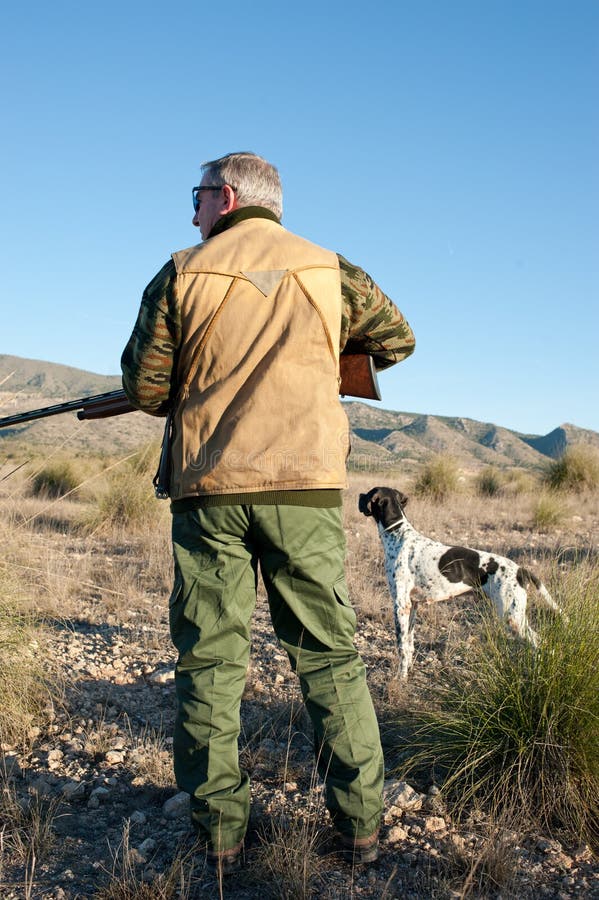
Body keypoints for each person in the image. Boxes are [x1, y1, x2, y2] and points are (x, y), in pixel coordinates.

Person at [121, 151, 415, 873]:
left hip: (209, 491)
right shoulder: (330, 269)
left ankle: (220, 837)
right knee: (328, 658)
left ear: (225, 197)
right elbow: (398, 341)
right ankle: (358, 828)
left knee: (211, 661)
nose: (191, 212)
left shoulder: (182, 271)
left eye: (195, 196)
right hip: (304, 489)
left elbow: (148, 387)